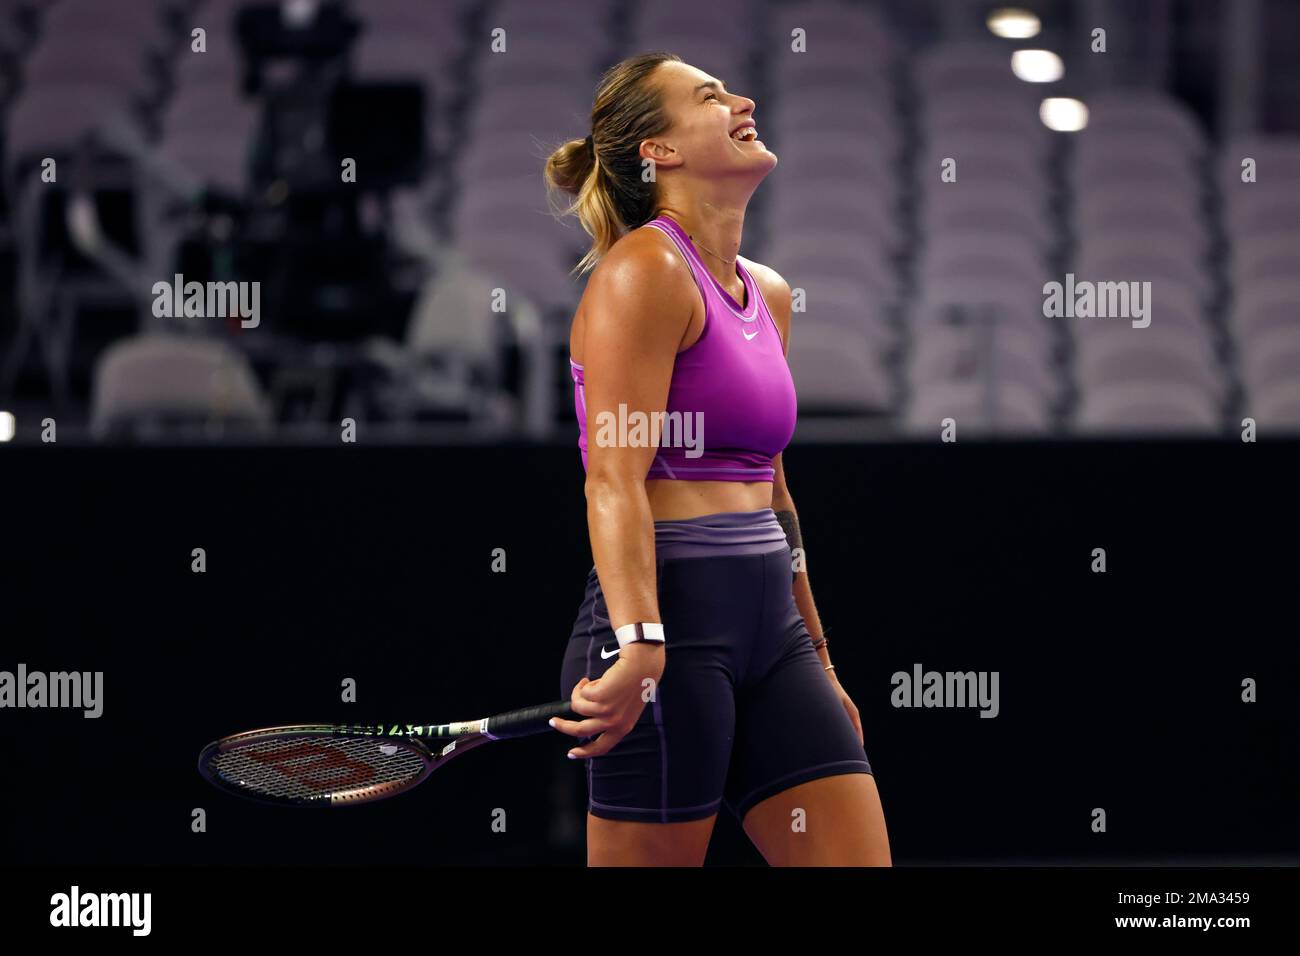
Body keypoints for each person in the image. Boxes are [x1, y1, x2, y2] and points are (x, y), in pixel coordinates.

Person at [543, 52, 891, 866]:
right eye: (709, 96)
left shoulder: (768, 293)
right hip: (668, 631)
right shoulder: (643, 271)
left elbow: (774, 489)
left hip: (774, 634)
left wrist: (820, 653)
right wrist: (639, 639)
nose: (744, 99)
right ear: (657, 151)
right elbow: (613, 477)